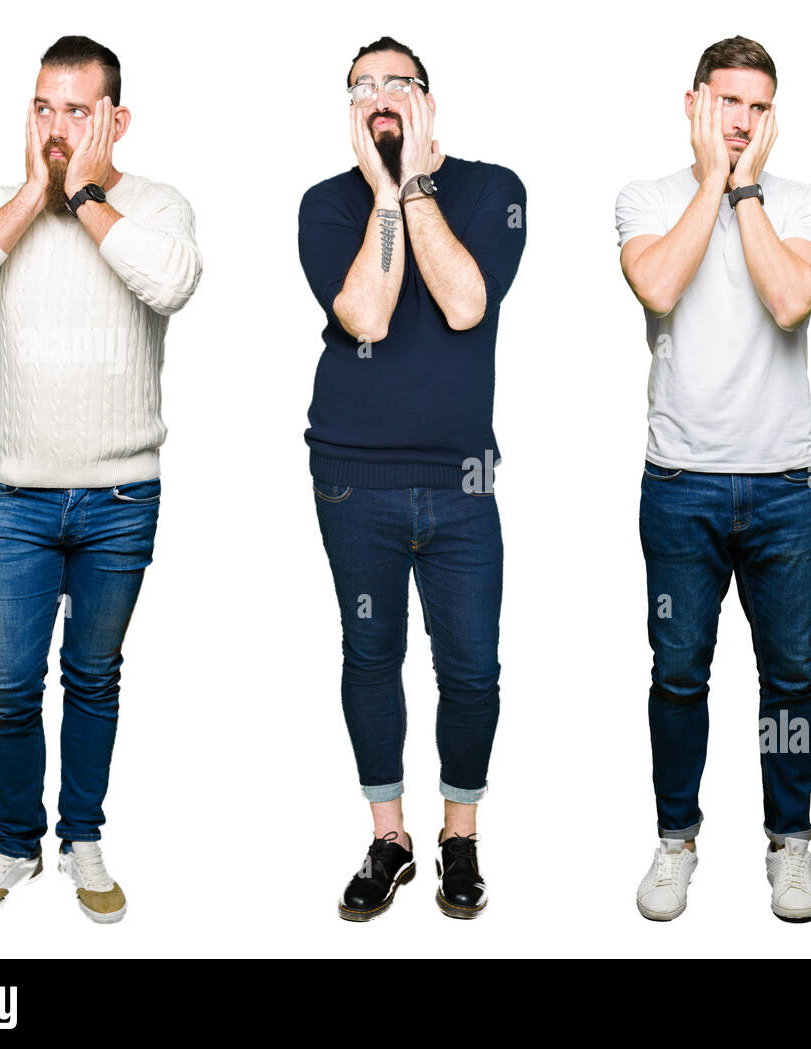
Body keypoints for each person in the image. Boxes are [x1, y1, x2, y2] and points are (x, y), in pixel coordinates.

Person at [0, 35, 202, 924]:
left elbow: (172, 282)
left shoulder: (157, 206)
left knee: (93, 675)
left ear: (116, 119)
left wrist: (82, 195)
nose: (56, 124)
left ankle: (82, 837)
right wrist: (35, 194)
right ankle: (14, 843)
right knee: (7, 684)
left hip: (122, 501)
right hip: (21, 502)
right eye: (43, 106)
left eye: (77, 109)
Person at [297, 36, 526, 921]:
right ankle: (389, 837)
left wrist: (415, 185)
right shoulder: (325, 204)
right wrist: (385, 190)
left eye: (399, 83)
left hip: (464, 484)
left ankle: (458, 835)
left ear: (429, 101)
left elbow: (465, 303)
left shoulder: (494, 190)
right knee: (372, 653)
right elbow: (367, 312)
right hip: (353, 478)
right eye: (364, 86)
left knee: (471, 667)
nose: (380, 94)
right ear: (350, 111)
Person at [615, 36, 811, 923]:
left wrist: (744, 190)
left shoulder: (807, 203)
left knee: (790, 678)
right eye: (728, 103)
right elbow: (659, 287)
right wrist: (715, 180)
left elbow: (790, 301)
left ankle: (791, 841)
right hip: (681, 485)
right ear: (695, 103)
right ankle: (676, 839)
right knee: (678, 673)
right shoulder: (646, 199)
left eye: (759, 107)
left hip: (784, 486)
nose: (743, 121)